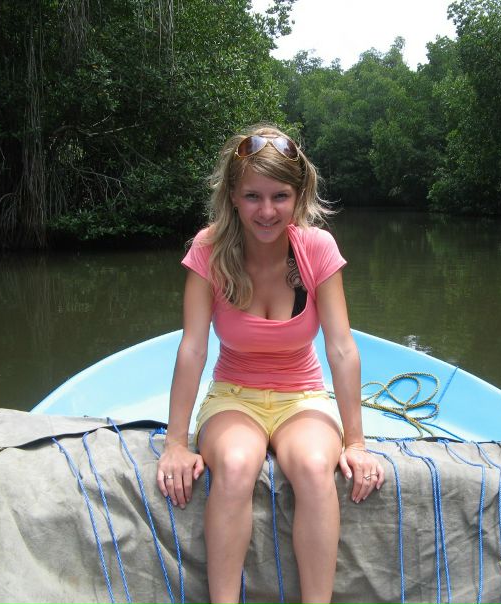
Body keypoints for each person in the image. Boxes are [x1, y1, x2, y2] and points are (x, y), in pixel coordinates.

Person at [156, 124, 385, 604]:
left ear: (298, 197)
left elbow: (341, 348)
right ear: (232, 197)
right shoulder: (208, 249)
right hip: (232, 395)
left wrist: (357, 443)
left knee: (316, 466)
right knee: (236, 465)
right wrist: (175, 443)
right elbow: (193, 348)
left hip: (303, 396)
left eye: (279, 196)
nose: (266, 211)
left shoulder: (317, 248)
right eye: (252, 196)